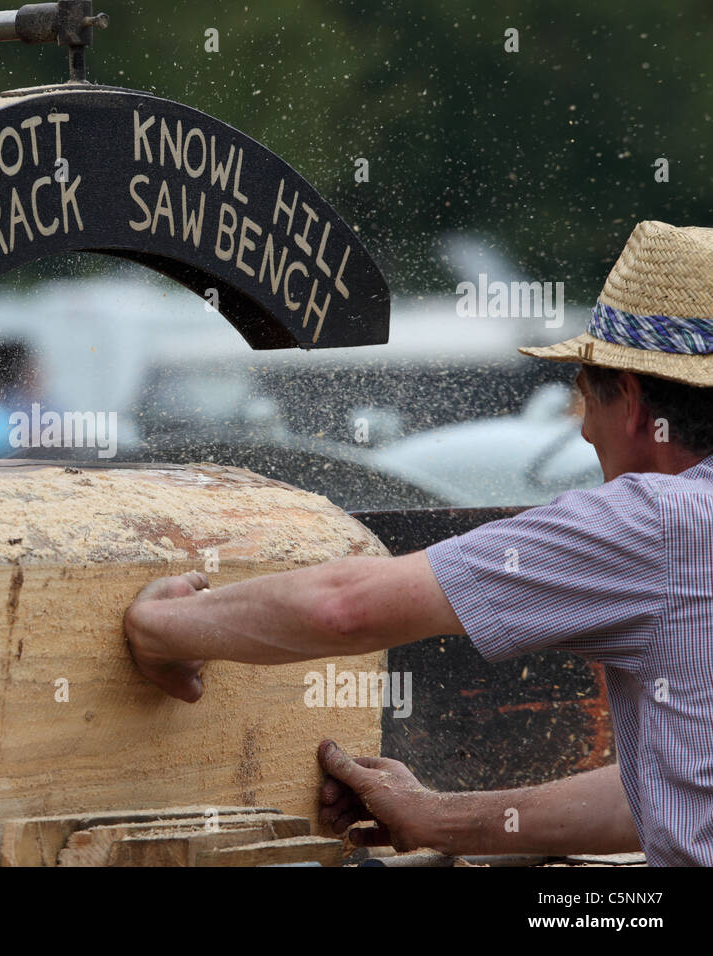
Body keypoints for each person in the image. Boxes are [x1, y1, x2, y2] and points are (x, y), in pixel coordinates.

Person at [124, 220, 713, 865]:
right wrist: (439, 819)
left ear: (628, 401)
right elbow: (666, 796)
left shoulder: (657, 523)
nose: (584, 436)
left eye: (585, 404)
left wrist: (163, 627)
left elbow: (342, 608)